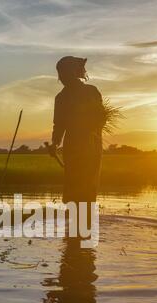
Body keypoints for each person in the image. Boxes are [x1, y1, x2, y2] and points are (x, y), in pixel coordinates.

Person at [51, 56, 106, 204]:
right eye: (60, 74)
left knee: (86, 188)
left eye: (63, 73)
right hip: (77, 147)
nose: (61, 77)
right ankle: (76, 223)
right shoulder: (61, 97)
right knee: (75, 189)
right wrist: (54, 143)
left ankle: (83, 222)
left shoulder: (90, 92)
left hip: (91, 146)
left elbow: (101, 118)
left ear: (73, 73)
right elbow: (59, 125)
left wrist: (90, 129)